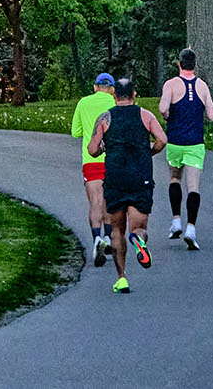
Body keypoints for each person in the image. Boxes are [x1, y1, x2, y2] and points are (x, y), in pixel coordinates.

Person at [86, 77, 167, 293]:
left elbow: (92, 150)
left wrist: (104, 149)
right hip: (141, 177)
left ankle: (121, 278)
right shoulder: (145, 115)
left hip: (115, 178)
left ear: (114, 96)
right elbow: (162, 140)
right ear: (134, 95)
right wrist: (149, 151)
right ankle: (138, 241)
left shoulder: (105, 118)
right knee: (138, 228)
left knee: (117, 230)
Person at [159, 47, 213, 250]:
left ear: (179, 64)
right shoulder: (202, 86)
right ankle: (191, 228)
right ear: (195, 65)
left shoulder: (171, 84)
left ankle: (176, 221)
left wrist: (167, 117)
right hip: (195, 143)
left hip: (175, 141)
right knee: (193, 187)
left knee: (174, 178)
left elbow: (163, 108)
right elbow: (212, 115)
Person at [71, 73, 119, 266]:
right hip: (112, 159)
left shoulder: (83, 103)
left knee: (95, 200)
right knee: (108, 199)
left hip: (91, 159)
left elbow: (75, 132)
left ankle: (96, 239)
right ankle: (108, 237)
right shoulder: (115, 105)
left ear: (95, 87)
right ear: (113, 89)